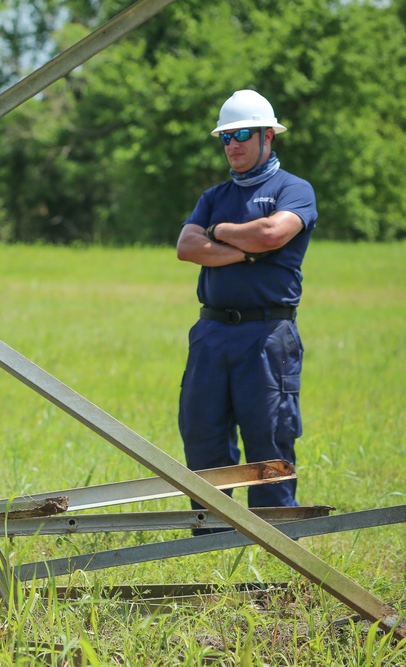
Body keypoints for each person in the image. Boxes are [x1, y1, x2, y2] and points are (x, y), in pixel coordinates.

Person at [175, 89, 317, 516]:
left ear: (267, 135)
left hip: (268, 335)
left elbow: (273, 233)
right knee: (202, 436)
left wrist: (218, 232)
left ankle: (276, 538)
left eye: (241, 134)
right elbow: (186, 246)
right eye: (226, 137)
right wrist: (247, 250)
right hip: (211, 333)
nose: (232, 144)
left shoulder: (293, 189)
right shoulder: (214, 196)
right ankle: (210, 535)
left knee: (269, 439)